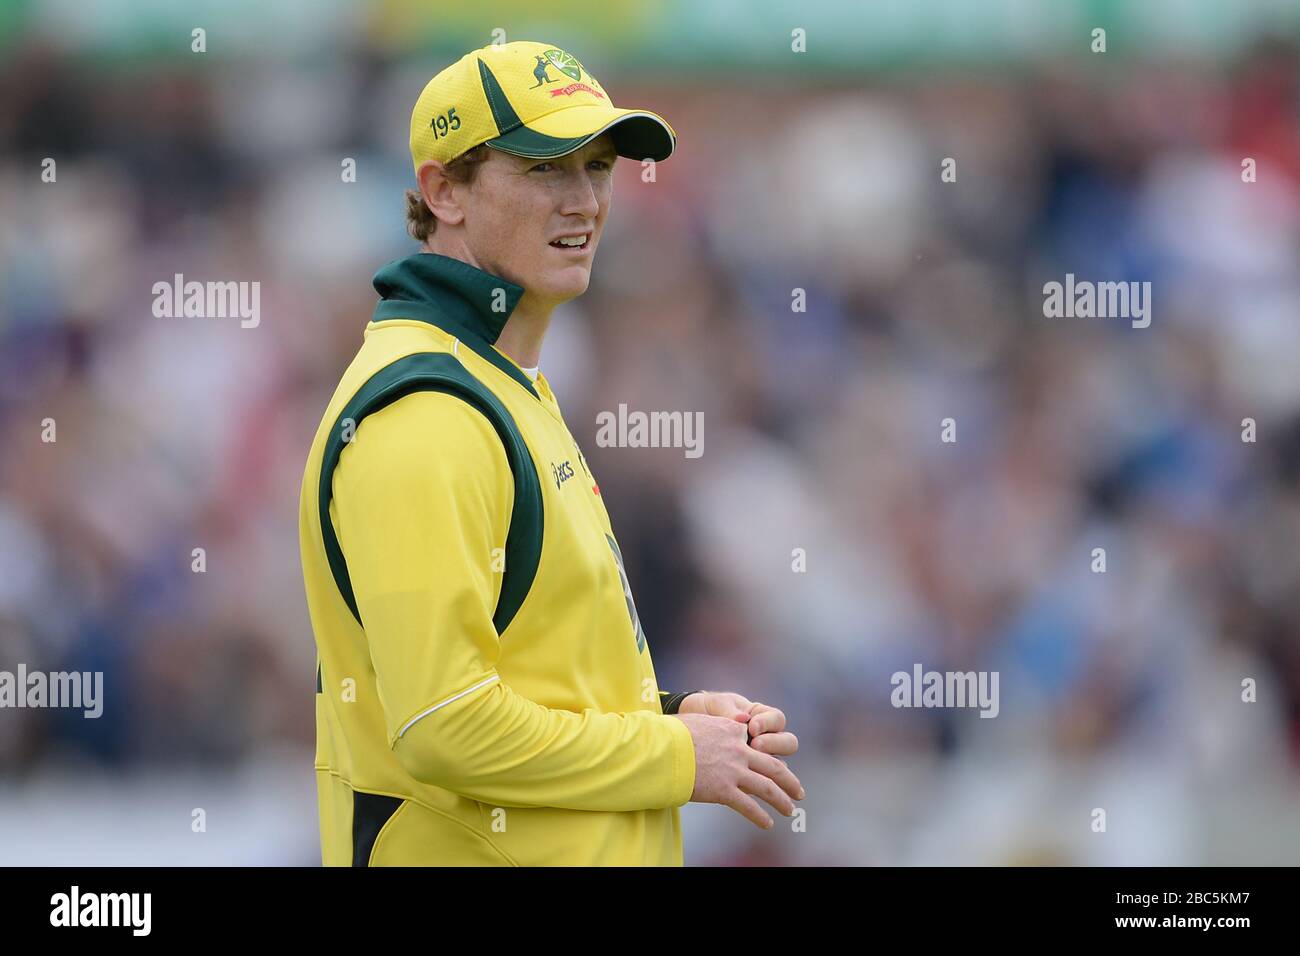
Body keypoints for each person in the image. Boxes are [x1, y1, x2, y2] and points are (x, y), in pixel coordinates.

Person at [299, 39, 802, 866]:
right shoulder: (427, 411)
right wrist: (676, 757)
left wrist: (665, 716)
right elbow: (443, 725)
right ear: (443, 190)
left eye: (598, 168)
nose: (584, 202)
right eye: (543, 169)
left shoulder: (495, 383)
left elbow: (534, 674)